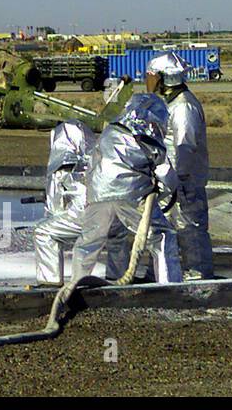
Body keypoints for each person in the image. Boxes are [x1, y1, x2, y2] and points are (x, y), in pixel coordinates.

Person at [70, 93, 181, 284]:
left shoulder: (109, 131)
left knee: (89, 241)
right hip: (131, 192)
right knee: (162, 236)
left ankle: (76, 284)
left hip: (97, 193)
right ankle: (169, 285)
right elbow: (165, 174)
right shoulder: (146, 135)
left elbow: (91, 165)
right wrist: (164, 193)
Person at [146, 51, 214, 279]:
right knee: (164, 230)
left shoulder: (183, 107)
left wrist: (178, 181)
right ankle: (167, 272)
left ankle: (198, 276)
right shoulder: (168, 104)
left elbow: (184, 146)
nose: (148, 81)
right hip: (170, 182)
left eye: (152, 76)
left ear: (165, 78)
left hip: (183, 184)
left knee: (190, 230)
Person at [34, 121, 96, 285]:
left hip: (86, 217)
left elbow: (55, 208)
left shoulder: (62, 168)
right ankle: (117, 276)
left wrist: (49, 212)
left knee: (43, 232)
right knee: (117, 236)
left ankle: (50, 282)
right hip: (115, 217)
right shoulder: (100, 160)